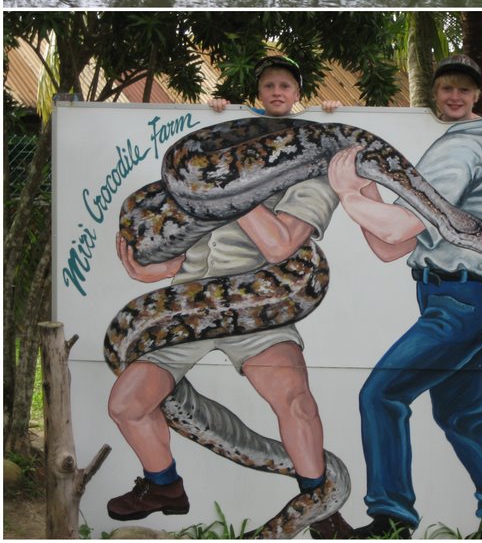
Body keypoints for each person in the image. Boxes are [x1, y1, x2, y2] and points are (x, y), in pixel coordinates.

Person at [107, 56, 343, 536]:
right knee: (125, 404)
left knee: (295, 400)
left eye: (286, 84)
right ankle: (164, 485)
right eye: (268, 84)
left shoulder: (314, 166)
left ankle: (319, 504)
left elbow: (281, 244)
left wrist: (228, 186)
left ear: (298, 94)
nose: (277, 91)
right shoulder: (216, 155)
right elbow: (170, 257)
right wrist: (147, 267)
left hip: (259, 299)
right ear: (259, 94)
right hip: (188, 301)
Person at [329, 54, 482, 540]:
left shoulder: (463, 149)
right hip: (452, 295)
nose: (454, 96)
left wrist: (347, 193)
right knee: (461, 412)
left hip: (461, 300)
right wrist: (365, 196)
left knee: (381, 395)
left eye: (464, 89)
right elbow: (391, 247)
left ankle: (391, 519)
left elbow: (398, 228)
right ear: (435, 93)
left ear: (478, 94)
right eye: (446, 89)